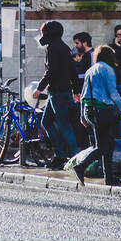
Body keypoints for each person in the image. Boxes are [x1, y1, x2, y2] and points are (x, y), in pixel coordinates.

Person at [67, 44, 121, 188]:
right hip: (102, 110)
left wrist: (83, 116)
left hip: (90, 110)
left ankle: (108, 177)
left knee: (107, 143)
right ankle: (81, 167)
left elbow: (83, 95)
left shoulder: (90, 70)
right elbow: (113, 93)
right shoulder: (107, 70)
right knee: (103, 146)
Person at [34, 20, 79, 169]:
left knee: (64, 126)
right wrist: (76, 90)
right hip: (63, 91)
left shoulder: (53, 48)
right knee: (46, 122)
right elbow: (73, 70)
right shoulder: (65, 47)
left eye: (44, 32)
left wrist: (39, 88)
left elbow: (51, 71)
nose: (42, 36)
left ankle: (74, 158)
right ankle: (60, 155)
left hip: (57, 92)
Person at [71, 31, 94, 145]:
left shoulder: (92, 54)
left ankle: (87, 143)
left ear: (84, 43)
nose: (76, 46)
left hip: (87, 91)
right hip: (79, 90)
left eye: (77, 43)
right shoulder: (81, 54)